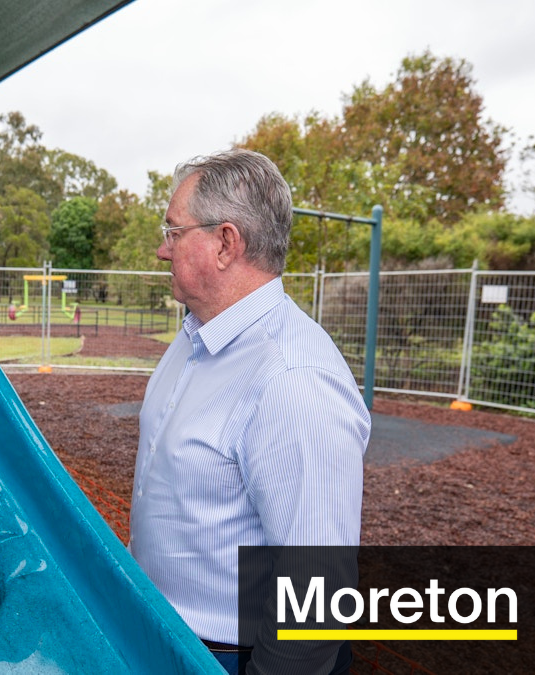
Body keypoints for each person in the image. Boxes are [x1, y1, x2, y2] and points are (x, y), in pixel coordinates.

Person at [129, 149, 370, 674]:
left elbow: (317, 599)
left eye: (173, 232)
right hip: (168, 643)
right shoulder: (195, 337)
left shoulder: (293, 381)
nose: (161, 250)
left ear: (225, 243)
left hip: (232, 659)